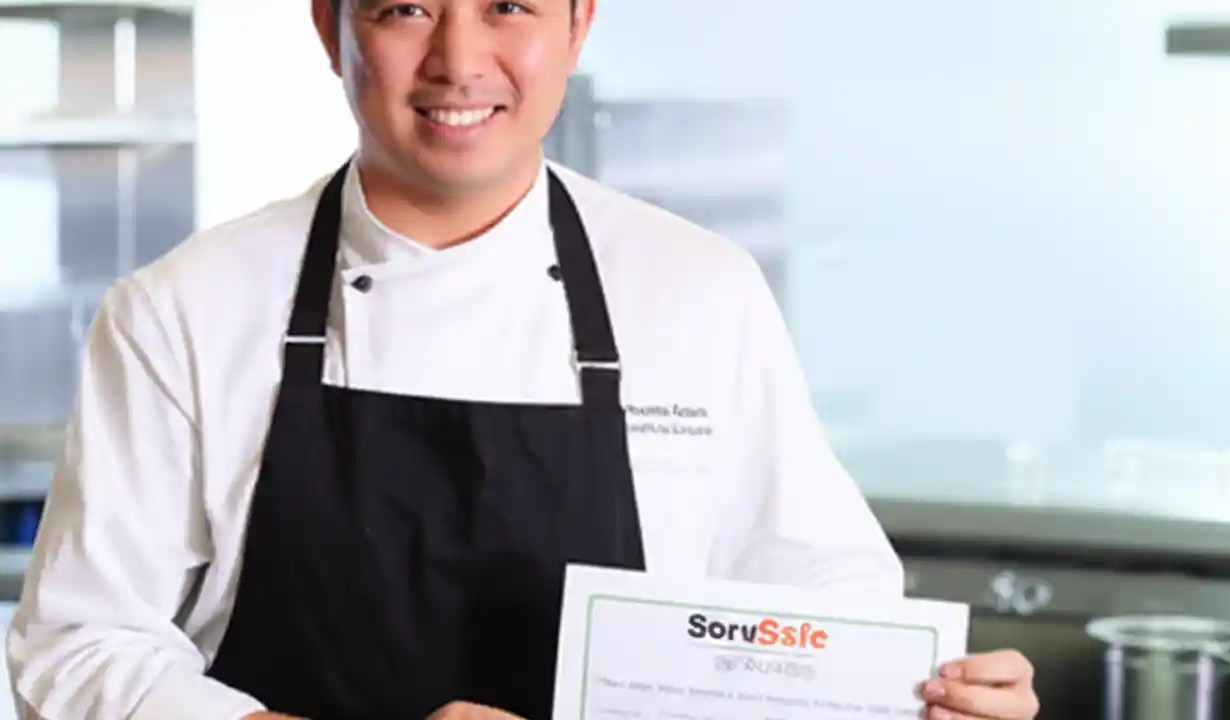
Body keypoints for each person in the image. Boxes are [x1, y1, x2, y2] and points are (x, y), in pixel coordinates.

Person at [6, 1, 1040, 719]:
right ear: (330, 26)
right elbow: (78, 648)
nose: (459, 61)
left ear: (579, 23)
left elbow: (824, 597)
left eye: (508, 6)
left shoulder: (696, 289)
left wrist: (923, 693)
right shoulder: (183, 310)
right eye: (405, 9)